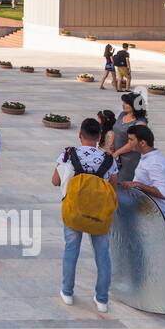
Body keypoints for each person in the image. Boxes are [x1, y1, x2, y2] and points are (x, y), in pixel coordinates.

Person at [52, 117, 117, 311]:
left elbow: (55, 181)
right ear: (99, 137)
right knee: (103, 256)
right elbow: (114, 187)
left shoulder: (68, 154)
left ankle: (67, 292)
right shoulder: (108, 159)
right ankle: (102, 299)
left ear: (80, 135)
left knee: (71, 251)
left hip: (74, 211)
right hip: (99, 214)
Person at [119, 124, 165, 222]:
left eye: (131, 140)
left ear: (142, 143)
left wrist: (138, 184)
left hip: (156, 218)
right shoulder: (146, 157)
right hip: (146, 214)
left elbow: (163, 193)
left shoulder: (155, 162)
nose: (128, 143)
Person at [107, 92, 147, 183]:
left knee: (122, 184)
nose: (123, 105)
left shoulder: (140, 123)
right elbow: (115, 129)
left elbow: (133, 143)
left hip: (129, 160)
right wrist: (111, 144)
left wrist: (117, 152)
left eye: (126, 103)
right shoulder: (122, 114)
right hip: (116, 156)